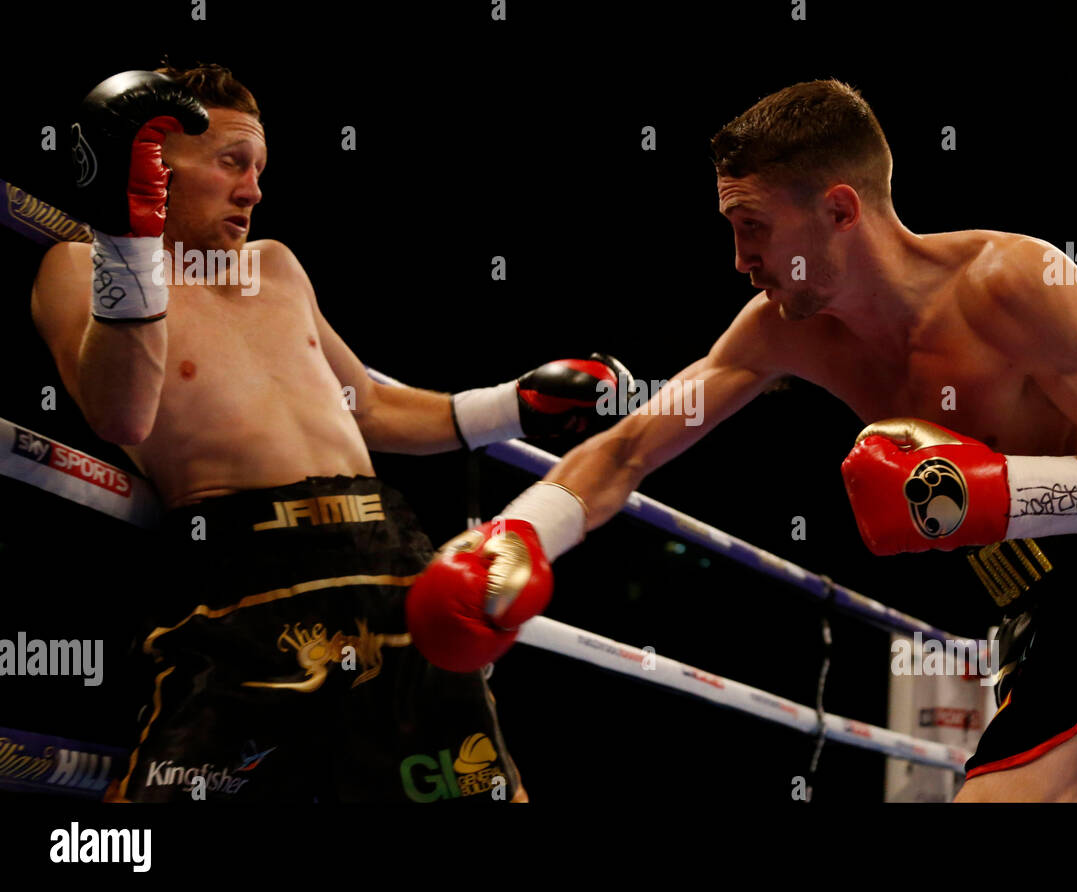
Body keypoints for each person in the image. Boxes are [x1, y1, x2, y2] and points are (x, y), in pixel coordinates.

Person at [407, 79, 1077, 803]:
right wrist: (519, 533)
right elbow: (628, 451)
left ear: (839, 209)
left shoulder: (1014, 284)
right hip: (1034, 614)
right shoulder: (783, 331)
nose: (739, 259)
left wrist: (996, 492)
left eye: (754, 227)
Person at [31, 64, 630, 802]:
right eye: (230, 163)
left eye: (259, 168)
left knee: (471, 793)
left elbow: (370, 408)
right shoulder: (77, 267)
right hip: (242, 574)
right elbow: (121, 415)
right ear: (153, 161)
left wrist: (515, 404)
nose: (252, 189)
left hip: (389, 558)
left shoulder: (276, 266)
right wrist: (131, 236)